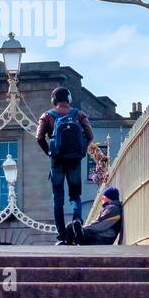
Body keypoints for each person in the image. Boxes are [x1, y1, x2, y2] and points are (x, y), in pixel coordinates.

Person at [35, 86, 93, 245]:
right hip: (74, 160)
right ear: (69, 100)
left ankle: (61, 234)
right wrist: (81, 152)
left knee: (58, 198)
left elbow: (39, 137)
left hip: (57, 161)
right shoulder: (79, 115)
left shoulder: (47, 116)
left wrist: (49, 152)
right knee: (75, 196)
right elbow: (90, 135)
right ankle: (77, 221)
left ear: (54, 100)